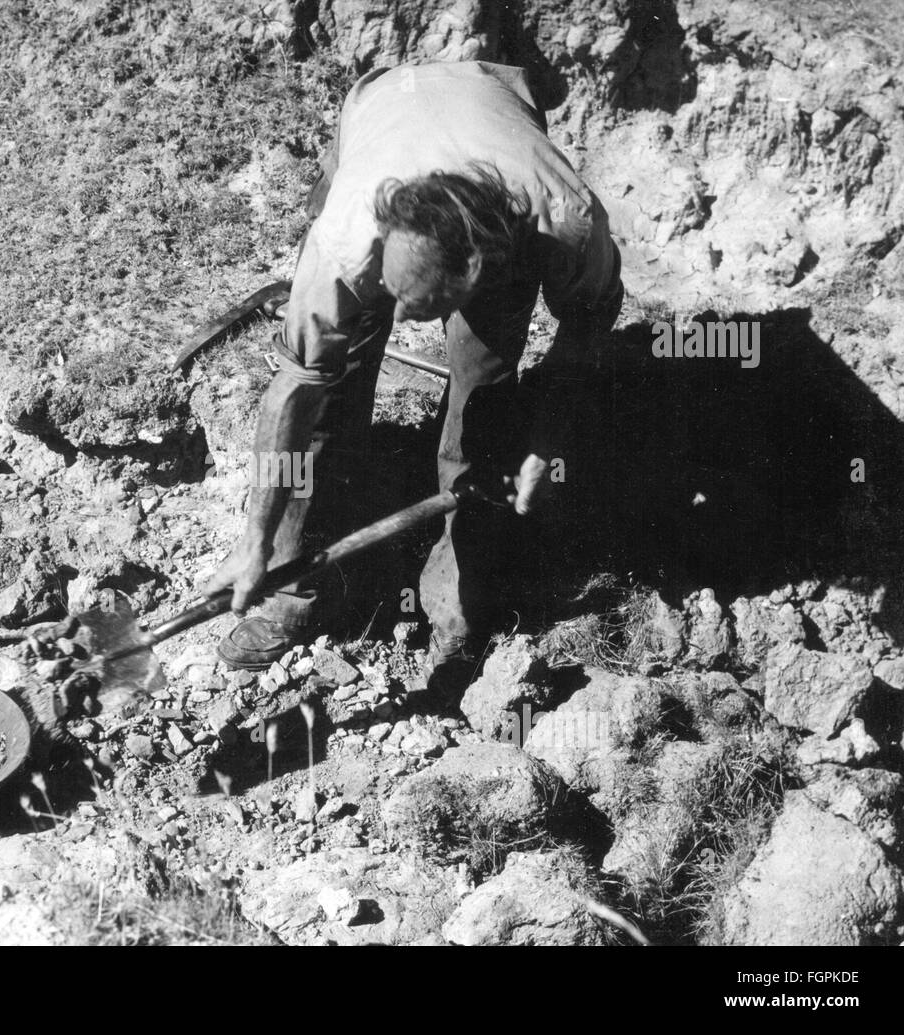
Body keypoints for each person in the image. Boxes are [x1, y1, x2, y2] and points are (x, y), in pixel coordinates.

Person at [203, 60, 624, 697]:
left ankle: (456, 597)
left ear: (476, 271)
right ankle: (292, 585)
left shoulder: (563, 222)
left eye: (416, 304)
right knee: (324, 401)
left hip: (490, 108)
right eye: (390, 292)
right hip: (386, 106)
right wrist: (252, 538)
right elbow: (293, 392)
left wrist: (545, 442)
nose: (394, 320)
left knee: (485, 401)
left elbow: (588, 324)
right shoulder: (345, 240)